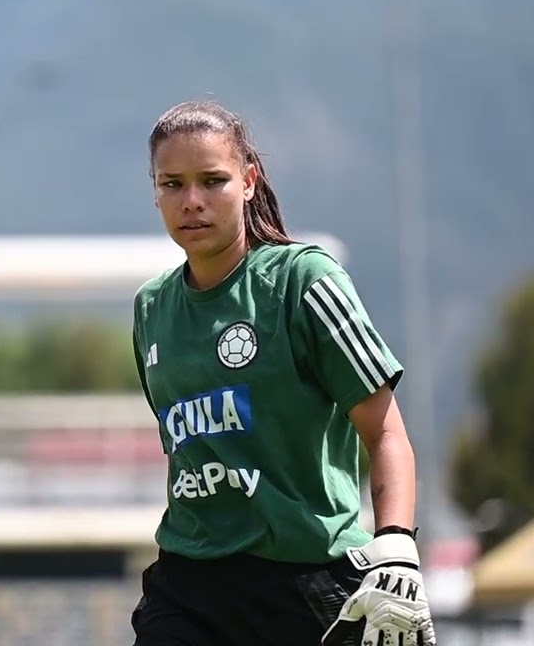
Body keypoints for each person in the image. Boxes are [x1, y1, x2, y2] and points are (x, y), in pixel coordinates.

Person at [127, 100, 436, 646]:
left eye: (212, 180)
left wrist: (397, 548)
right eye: (172, 184)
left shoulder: (304, 281)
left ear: (247, 181)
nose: (191, 201)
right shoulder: (151, 309)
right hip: (187, 585)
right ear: (154, 191)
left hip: (305, 581)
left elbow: (386, 431)